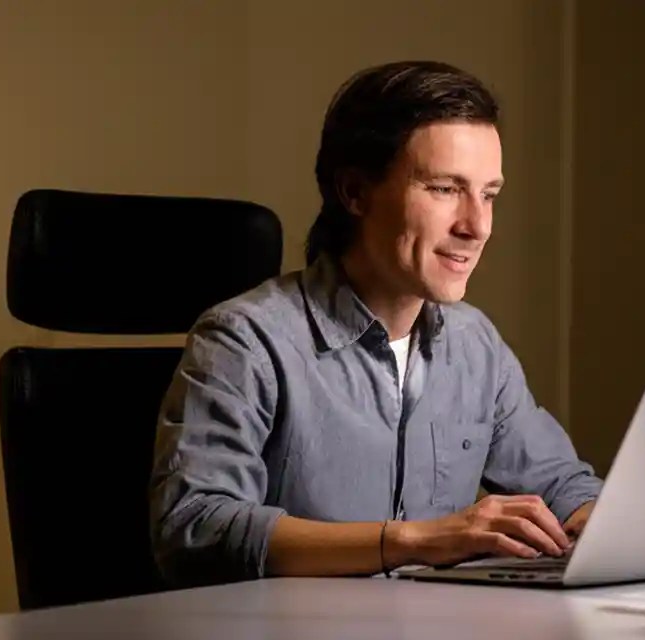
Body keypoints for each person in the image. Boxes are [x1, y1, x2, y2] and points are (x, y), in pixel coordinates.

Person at [149, 60, 601, 586]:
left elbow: (566, 487)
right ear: (355, 193)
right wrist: (415, 541)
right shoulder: (244, 341)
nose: (476, 226)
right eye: (443, 189)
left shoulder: (476, 344)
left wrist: (601, 525)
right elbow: (194, 527)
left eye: (489, 194)